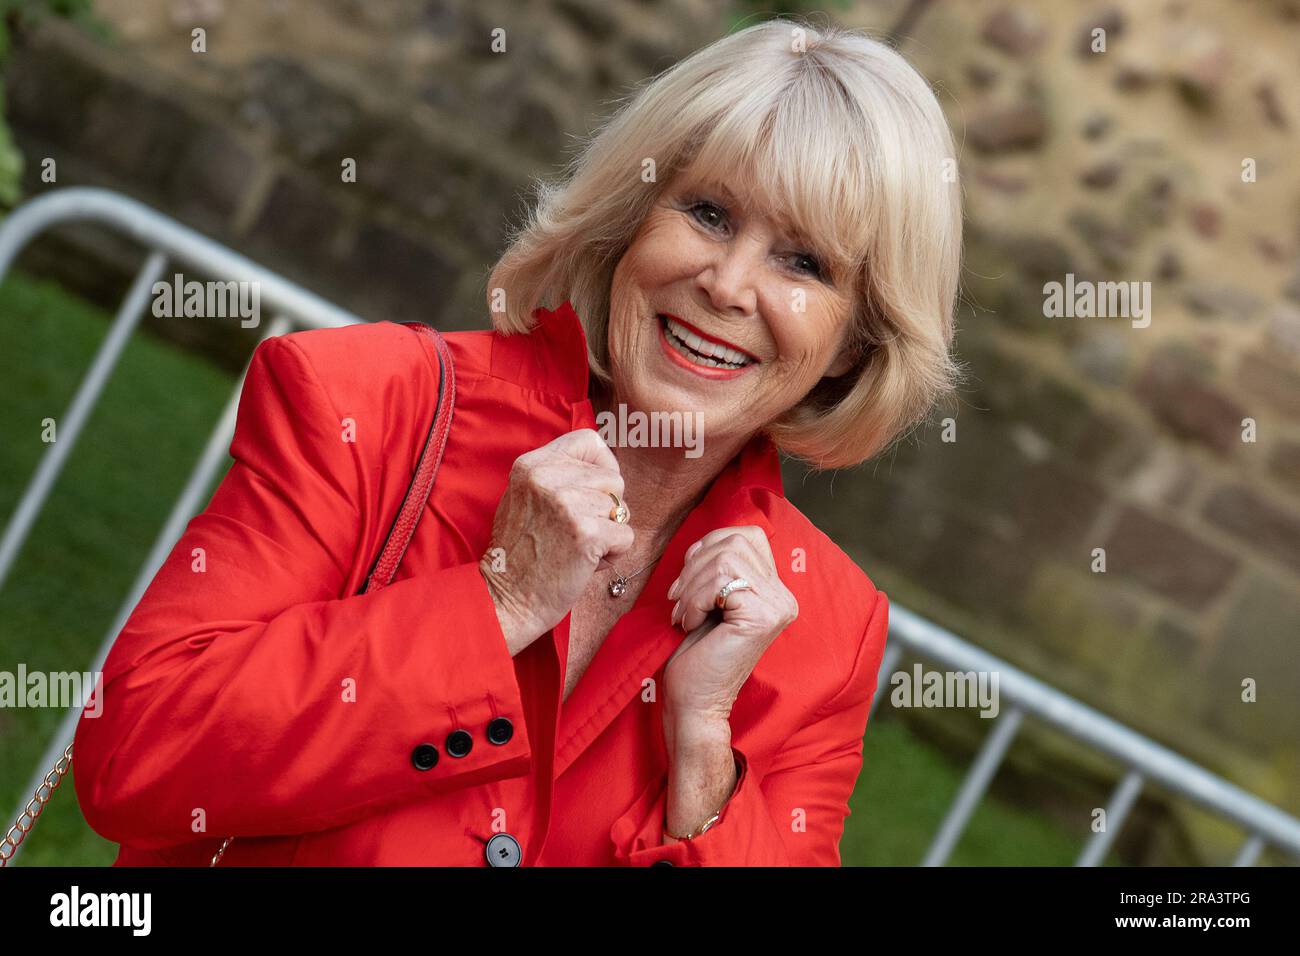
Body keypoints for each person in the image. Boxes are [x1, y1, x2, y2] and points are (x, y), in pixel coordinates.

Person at [73, 18, 962, 866]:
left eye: (803, 265)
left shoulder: (826, 631)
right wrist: (495, 606)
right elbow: (136, 754)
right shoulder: (373, 404)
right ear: (631, 220)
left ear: (856, 341)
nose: (728, 285)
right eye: (709, 214)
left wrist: (702, 760)